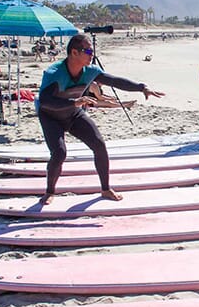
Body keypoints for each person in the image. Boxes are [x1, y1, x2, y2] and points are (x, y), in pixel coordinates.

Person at [36, 34, 164, 205]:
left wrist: (142, 88)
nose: (92, 54)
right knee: (59, 153)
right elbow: (45, 101)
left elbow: (114, 81)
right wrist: (75, 102)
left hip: (73, 114)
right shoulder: (55, 73)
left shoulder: (90, 71)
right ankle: (49, 192)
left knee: (99, 145)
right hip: (50, 116)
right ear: (74, 52)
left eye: (92, 50)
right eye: (88, 50)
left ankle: (105, 189)